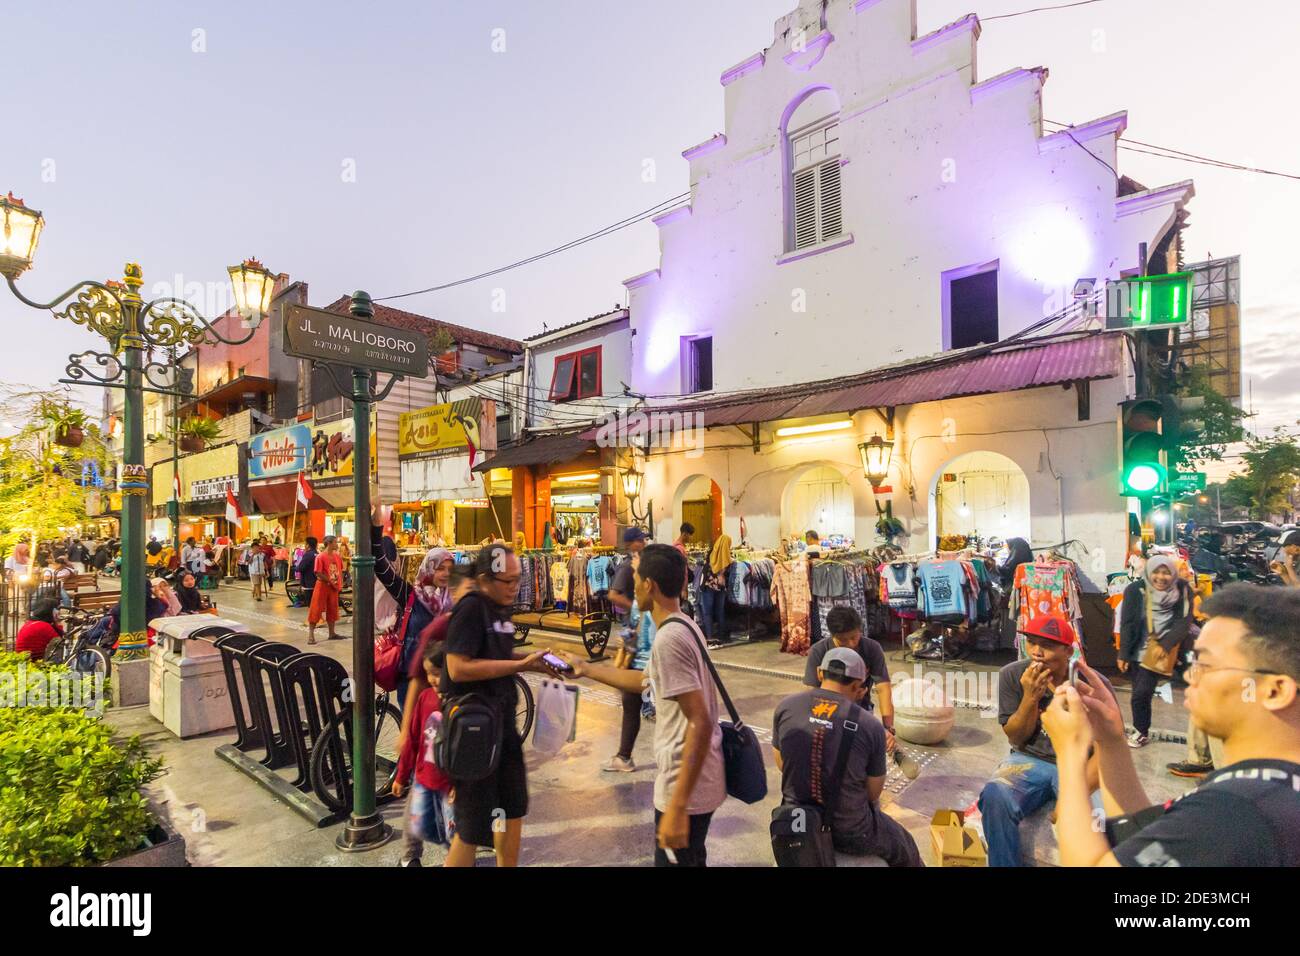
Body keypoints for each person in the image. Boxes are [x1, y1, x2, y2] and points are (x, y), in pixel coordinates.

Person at [1042, 582, 1300, 866]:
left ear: (1274, 691)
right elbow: (1142, 838)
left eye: (1205, 664)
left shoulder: (1235, 810)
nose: (1190, 676)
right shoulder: (1269, 792)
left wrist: (1069, 754)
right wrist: (1111, 740)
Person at [563, 544, 726, 866]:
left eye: (635, 577)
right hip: (693, 781)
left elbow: (701, 720)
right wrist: (586, 668)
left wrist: (677, 807)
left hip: (686, 786)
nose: (631, 585)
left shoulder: (670, 639)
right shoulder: (681, 625)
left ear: (649, 585)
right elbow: (643, 682)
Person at [440, 544, 561, 868]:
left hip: (503, 730)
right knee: (472, 828)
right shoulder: (471, 608)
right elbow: (457, 667)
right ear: (484, 579)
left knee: (512, 809)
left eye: (517, 580)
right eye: (506, 581)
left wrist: (534, 662)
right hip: (474, 735)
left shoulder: (499, 610)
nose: (514, 587)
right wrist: (519, 667)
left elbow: (496, 656)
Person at [977, 613, 1107, 867]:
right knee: (995, 795)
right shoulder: (1013, 675)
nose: (1036, 651)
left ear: (1068, 651)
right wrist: (1030, 697)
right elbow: (1016, 736)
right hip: (1028, 759)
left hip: (1078, 766)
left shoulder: (1089, 684)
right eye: (1032, 642)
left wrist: (1075, 795)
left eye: (1047, 645)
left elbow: (1104, 752)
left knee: (1101, 819)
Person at [773, 647, 923, 866]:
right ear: (859, 687)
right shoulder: (869, 725)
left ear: (820, 673)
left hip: (797, 821)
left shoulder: (786, 707)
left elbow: (782, 764)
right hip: (851, 832)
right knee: (905, 845)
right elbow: (873, 793)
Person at [1118, 554, 1196, 748]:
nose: (1161, 577)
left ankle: (1204, 740)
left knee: (1198, 691)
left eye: (1166, 572)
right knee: (1140, 693)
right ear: (1148, 572)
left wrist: (1166, 645)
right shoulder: (1135, 590)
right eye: (1156, 572)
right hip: (1140, 650)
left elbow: (1184, 621)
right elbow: (1127, 623)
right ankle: (1141, 731)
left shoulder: (1183, 589)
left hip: (1174, 648)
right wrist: (1124, 653)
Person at [393, 642, 455, 865]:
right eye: (428, 674)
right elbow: (412, 739)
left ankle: (456, 858)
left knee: (452, 825)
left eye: (437, 674)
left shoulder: (459, 704)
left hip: (450, 783)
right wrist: (401, 775)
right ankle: (410, 858)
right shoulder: (425, 698)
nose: (432, 679)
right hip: (422, 778)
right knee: (413, 821)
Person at [802, 606, 894, 739]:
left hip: (862, 710)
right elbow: (812, 693)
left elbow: (883, 688)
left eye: (854, 637)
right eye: (843, 640)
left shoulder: (872, 648)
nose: (851, 644)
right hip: (827, 712)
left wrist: (888, 729)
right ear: (833, 636)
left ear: (860, 630)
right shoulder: (819, 651)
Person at [608, 528, 647, 671]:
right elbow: (613, 595)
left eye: (643, 539)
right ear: (630, 543)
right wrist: (636, 606)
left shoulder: (642, 564)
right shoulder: (627, 567)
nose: (643, 542)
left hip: (641, 621)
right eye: (639, 540)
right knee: (632, 662)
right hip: (632, 622)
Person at [307, 536, 344, 644]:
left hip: (333, 587)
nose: (337, 544)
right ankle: (311, 635)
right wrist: (329, 581)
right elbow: (318, 573)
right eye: (335, 542)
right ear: (329, 543)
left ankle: (332, 633)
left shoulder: (337, 556)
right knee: (316, 608)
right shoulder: (320, 557)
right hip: (322, 585)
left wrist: (338, 583)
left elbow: (339, 571)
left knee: (332, 609)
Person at [699, 533, 732, 645]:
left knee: (708, 612)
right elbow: (727, 570)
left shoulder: (712, 554)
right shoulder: (727, 556)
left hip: (708, 586)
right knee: (720, 611)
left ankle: (709, 636)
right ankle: (722, 636)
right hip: (721, 587)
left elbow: (707, 568)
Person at [15, 595, 62, 661]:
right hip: (34, 664)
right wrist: (58, 622)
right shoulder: (44, 626)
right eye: (57, 609)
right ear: (52, 611)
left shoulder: (30, 623)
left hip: (22, 664)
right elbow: (60, 641)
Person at [297, 536, 319, 610]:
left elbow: (301, 567)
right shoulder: (317, 554)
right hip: (316, 581)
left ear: (308, 545)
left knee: (311, 603)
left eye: (305, 544)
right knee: (316, 602)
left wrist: (295, 568)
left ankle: (314, 619)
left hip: (308, 582)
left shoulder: (308, 554)